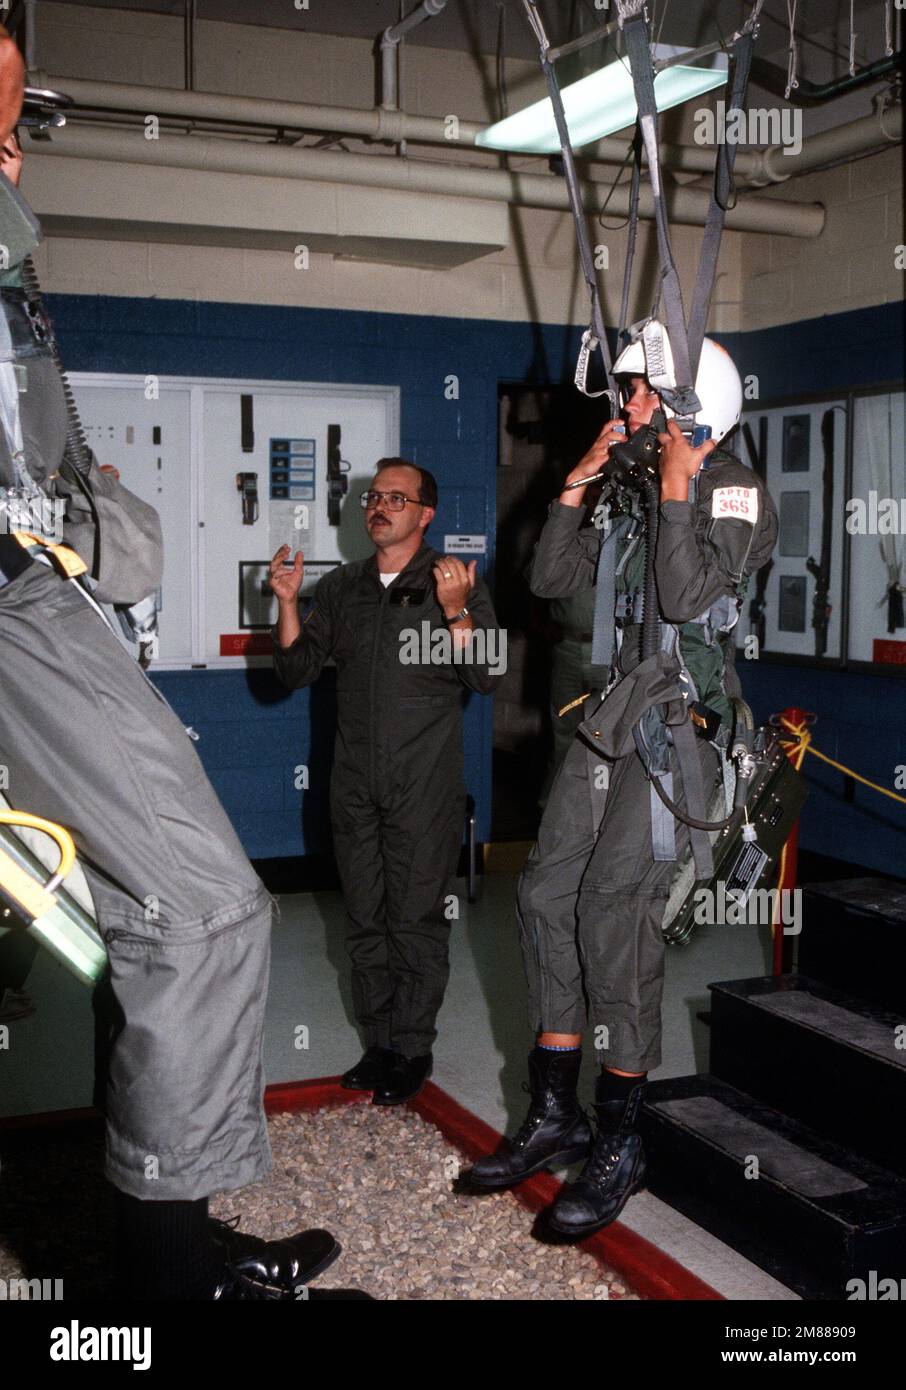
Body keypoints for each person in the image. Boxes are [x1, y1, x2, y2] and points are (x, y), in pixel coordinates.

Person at [0, 32, 344, 1300]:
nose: (17, 146)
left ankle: (157, 1237)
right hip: (14, 613)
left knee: (138, 923)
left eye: (18, 120)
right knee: (205, 913)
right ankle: (161, 1283)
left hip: (46, 600)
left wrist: (86, 510)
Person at [466, 323, 778, 1238]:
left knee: (614, 911)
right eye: (629, 391)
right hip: (605, 724)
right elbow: (551, 582)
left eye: (642, 394)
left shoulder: (736, 494)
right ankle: (554, 1106)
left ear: (692, 411)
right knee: (543, 893)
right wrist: (578, 483)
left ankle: (622, 1134)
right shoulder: (627, 489)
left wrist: (676, 490)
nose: (626, 405)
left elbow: (684, 601)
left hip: (679, 732)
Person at [270, 459, 502, 1105]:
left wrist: (458, 614)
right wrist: (288, 604)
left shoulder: (452, 583)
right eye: (375, 496)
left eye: (396, 498)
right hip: (354, 783)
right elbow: (294, 669)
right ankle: (378, 1045)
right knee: (365, 918)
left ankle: (413, 1049)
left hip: (422, 786)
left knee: (415, 922)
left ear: (426, 514)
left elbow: (488, 677)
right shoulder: (344, 588)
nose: (380, 506)